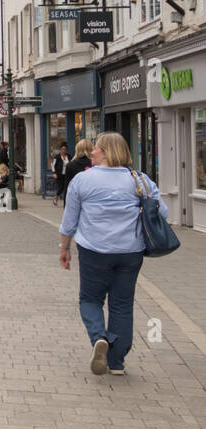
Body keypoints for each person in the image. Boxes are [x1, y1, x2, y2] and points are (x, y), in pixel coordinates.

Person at [60, 132, 167, 377]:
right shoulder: (139, 179)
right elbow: (162, 212)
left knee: (90, 300)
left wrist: (64, 248)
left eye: (96, 148)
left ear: (106, 152)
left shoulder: (83, 180)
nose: (92, 152)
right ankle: (117, 362)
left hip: (94, 251)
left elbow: (69, 221)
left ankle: (99, 337)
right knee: (122, 304)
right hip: (130, 252)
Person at [61, 139, 92, 206]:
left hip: (75, 200)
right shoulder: (95, 164)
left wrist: (66, 205)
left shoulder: (71, 165)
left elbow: (67, 187)